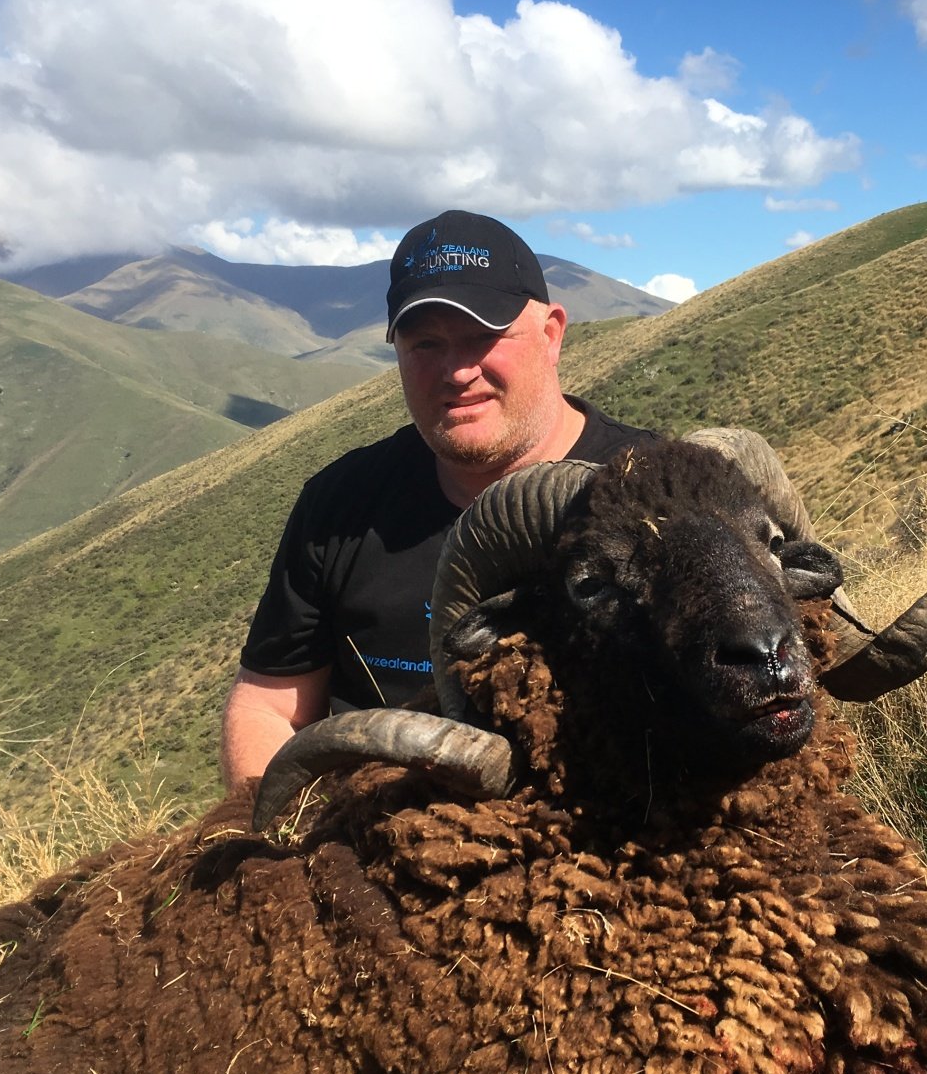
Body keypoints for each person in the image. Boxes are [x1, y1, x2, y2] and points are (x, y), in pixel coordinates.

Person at [221, 210, 651, 790]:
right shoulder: (339, 506)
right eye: (426, 343)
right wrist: (273, 836)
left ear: (551, 334)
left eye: (482, 337)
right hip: (373, 845)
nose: (456, 371)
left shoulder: (653, 495)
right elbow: (269, 707)